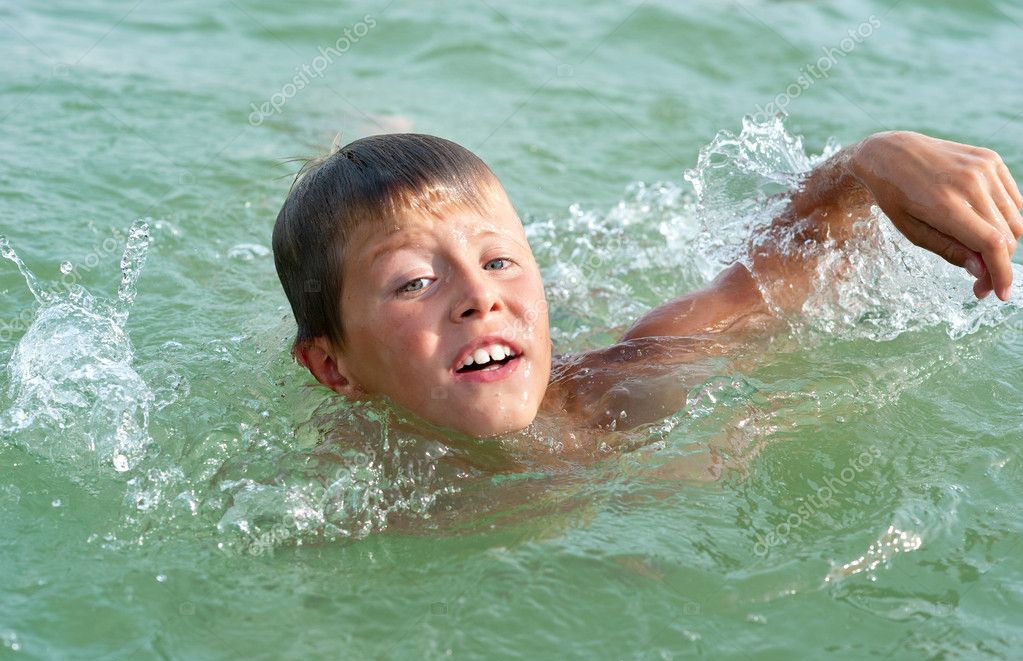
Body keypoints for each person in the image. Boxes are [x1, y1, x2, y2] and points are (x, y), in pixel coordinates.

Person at [271, 131, 1023, 445]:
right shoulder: (325, 503)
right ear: (332, 367)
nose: (479, 296)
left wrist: (874, 160)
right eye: (414, 282)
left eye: (499, 262)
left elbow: (784, 264)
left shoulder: (621, 391)